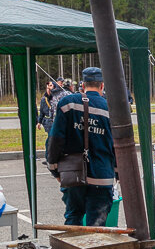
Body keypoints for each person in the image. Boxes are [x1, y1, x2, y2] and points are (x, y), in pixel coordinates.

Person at [45, 67, 116, 226]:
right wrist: (117, 174)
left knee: (73, 220)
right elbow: (117, 147)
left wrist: (54, 169)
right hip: (102, 177)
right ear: (102, 86)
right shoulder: (111, 109)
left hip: (74, 175)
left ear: (82, 85)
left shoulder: (67, 103)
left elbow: (55, 140)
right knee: (97, 228)